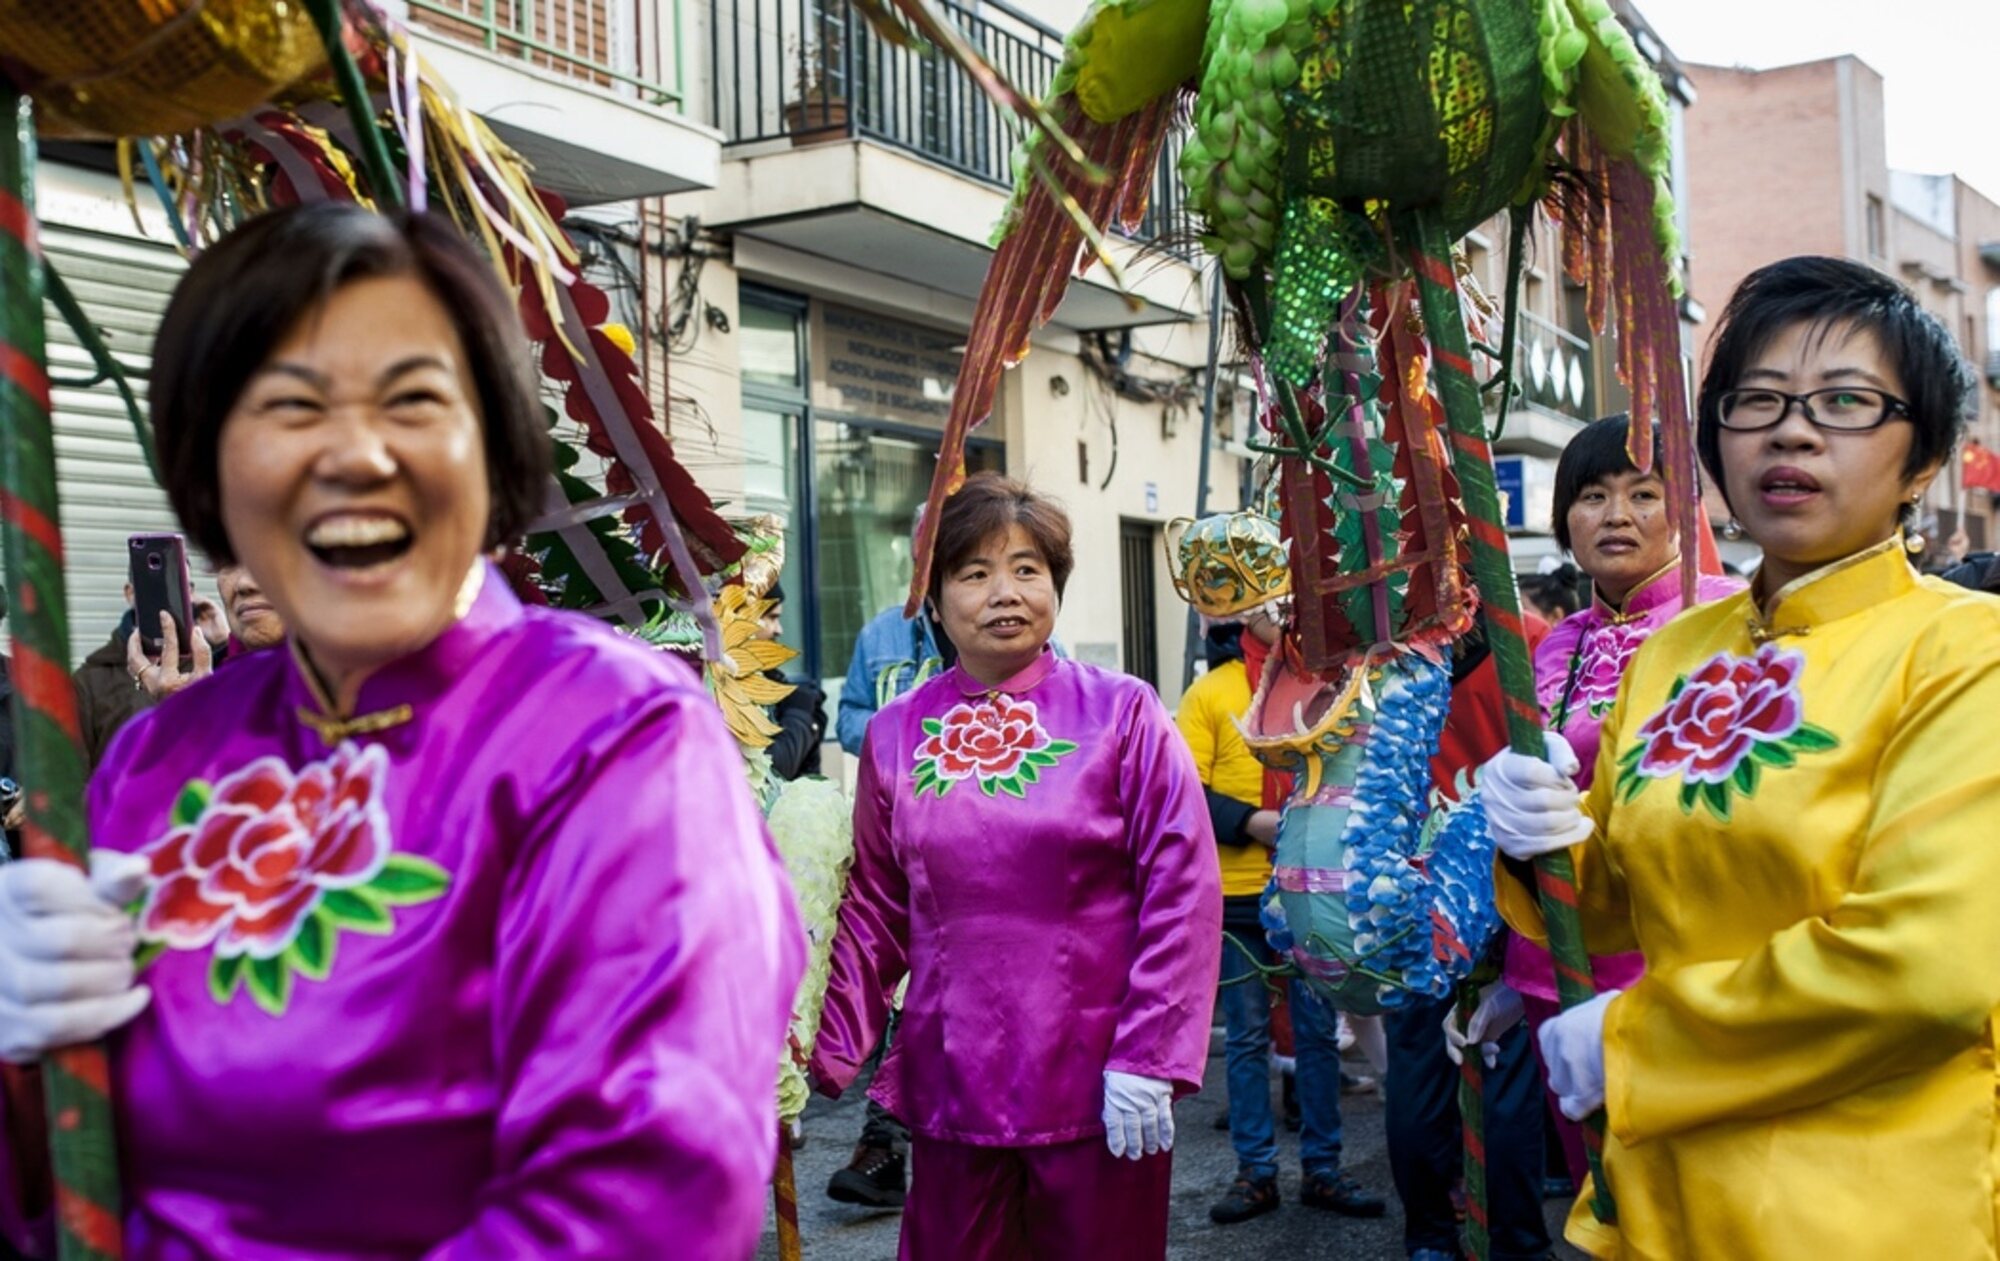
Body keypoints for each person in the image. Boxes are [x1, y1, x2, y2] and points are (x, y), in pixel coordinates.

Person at [0, 204, 805, 1257]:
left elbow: (642, 1196)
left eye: (413, 399)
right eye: (287, 407)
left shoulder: (619, 736)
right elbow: (58, 1193)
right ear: (210, 475)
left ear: (494, 452)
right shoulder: (156, 757)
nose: (355, 455)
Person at [1484, 255, 2000, 1259]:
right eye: (1752, 399)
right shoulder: (1672, 652)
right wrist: (1533, 839)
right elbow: (1616, 901)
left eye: (1845, 401)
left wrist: (1633, 1040)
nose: (1790, 428)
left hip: (1864, 1213)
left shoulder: (1966, 652)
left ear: (1924, 455)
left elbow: (1927, 966)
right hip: (1653, 1197)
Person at [810, 472, 1221, 1260]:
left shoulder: (1124, 712)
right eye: (975, 571)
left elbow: (1182, 887)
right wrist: (809, 1061)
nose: (1006, 591)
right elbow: (873, 906)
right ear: (933, 600)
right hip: (951, 1083)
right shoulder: (896, 735)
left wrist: (1150, 1055)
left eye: (1028, 568)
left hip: (1102, 1085)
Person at [1467, 415, 1742, 1189]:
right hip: (1552, 954)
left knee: (1692, 1195)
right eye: (1592, 495)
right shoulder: (1555, 645)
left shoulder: (1736, 620)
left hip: (1678, 959)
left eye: (1643, 493)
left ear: (1685, 509)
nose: (1616, 514)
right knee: (1603, 1196)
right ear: (1564, 522)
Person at [1178, 605, 1385, 1225]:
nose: (1273, 614)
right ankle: (1255, 1173)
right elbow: (1181, 787)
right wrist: (1249, 821)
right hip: (1239, 893)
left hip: (1311, 887)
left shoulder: (1332, 683)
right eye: (1260, 604)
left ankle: (1324, 1168)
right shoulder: (1211, 692)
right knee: (1244, 1038)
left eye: (1283, 601)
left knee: (1319, 1035)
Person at [1386, 615, 1552, 1261]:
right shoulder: (1530, 639)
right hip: (1501, 886)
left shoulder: (1380, 647)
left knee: (1422, 1065)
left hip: (1407, 886)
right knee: (1503, 1071)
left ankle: (1430, 1237)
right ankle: (1513, 1243)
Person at [756, 582, 825, 781]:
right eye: (772, 617)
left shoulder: (773, 679)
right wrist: (799, 716)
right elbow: (773, 771)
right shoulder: (723, 684)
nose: (779, 630)